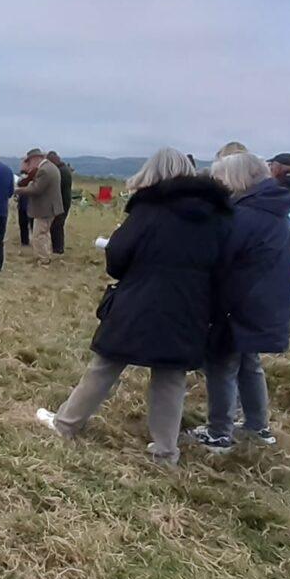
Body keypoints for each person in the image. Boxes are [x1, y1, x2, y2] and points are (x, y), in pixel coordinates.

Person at [35, 149, 231, 465]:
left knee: (106, 364)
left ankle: (66, 423)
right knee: (171, 376)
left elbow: (118, 257)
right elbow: (225, 264)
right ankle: (165, 451)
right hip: (190, 305)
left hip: (141, 300)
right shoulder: (217, 215)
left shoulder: (149, 210)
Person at [190, 153, 290, 449]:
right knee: (249, 362)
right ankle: (257, 425)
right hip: (264, 301)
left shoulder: (242, 216)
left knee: (221, 364)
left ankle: (219, 432)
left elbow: (218, 258)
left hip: (236, 303)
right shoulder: (275, 211)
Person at [15, 148, 63, 266]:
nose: (29, 164)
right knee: (44, 233)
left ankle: (43, 259)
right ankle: (45, 255)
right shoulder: (51, 167)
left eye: (29, 161)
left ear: (35, 159)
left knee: (38, 235)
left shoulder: (44, 170)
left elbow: (36, 189)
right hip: (50, 207)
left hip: (45, 208)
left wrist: (17, 190)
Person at [47, 151, 73, 254]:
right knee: (58, 225)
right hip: (64, 201)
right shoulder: (64, 170)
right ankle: (58, 248)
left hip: (62, 202)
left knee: (56, 226)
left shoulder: (60, 172)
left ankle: (58, 249)